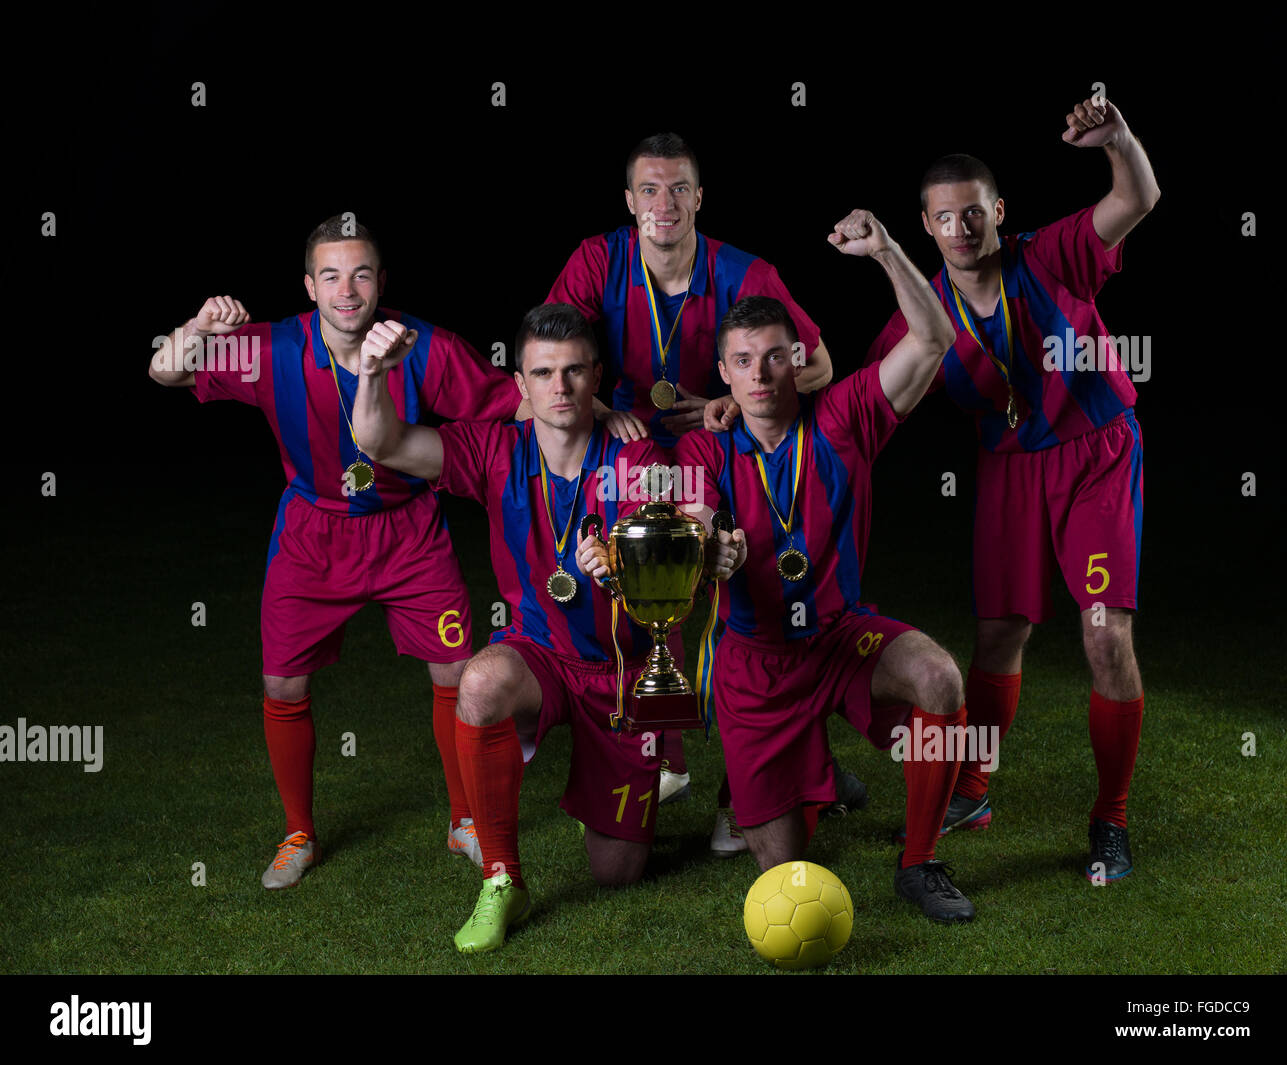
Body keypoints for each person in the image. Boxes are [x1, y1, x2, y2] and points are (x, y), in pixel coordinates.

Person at [351, 302, 746, 952]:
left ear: (595, 376)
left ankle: (637, 771)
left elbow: (693, 523)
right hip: (539, 657)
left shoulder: (635, 455)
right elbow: (383, 441)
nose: (558, 388)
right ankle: (501, 876)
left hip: (622, 678)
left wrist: (642, 554)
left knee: (616, 872)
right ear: (523, 385)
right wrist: (371, 373)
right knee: (478, 682)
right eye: (542, 373)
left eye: (572, 372)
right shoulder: (492, 449)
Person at [148, 215, 527, 888]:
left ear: (382, 281)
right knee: (282, 683)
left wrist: (604, 413)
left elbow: (512, 402)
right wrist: (200, 329)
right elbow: (164, 371)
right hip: (312, 533)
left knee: (455, 671)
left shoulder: (424, 345)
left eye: (360, 274)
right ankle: (299, 832)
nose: (347, 290)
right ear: (308, 285)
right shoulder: (271, 347)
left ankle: (463, 818)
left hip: (408, 527)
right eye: (331, 275)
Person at [860, 97, 1159, 881]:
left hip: (1095, 452)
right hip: (1011, 468)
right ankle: (973, 787)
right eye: (943, 218)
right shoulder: (921, 310)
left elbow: (1137, 199)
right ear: (924, 227)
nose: (960, 229)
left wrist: (1119, 142)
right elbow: (859, 398)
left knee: (1103, 635)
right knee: (998, 639)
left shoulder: (1052, 256)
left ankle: (1111, 817)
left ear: (998, 211)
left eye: (972, 213)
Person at [547, 133, 864, 836]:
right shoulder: (596, 260)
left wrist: (737, 403)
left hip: (719, 450)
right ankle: (667, 761)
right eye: (651, 191)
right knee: (632, 600)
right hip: (628, 450)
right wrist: (603, 410)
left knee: (742, 595)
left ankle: (752, 782)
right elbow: (553, 357)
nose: (665, 204)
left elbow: (820, 365)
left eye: (680, 189)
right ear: (630, 202)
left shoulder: (746, 272)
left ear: (700, 198)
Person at [677, 206, 978, 923]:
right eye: (743, 361)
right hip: (754, 665)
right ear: (723, 371)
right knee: (786, 866)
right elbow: (695, 517)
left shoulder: (844, 417)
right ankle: (821, 772)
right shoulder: (702, 449)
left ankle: (921, 861)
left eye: (776, 356)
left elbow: (935, 336)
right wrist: (712, 546)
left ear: (800, 359)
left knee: (938, 675)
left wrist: (887, 252)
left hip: (840, 636)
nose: (760, 374)